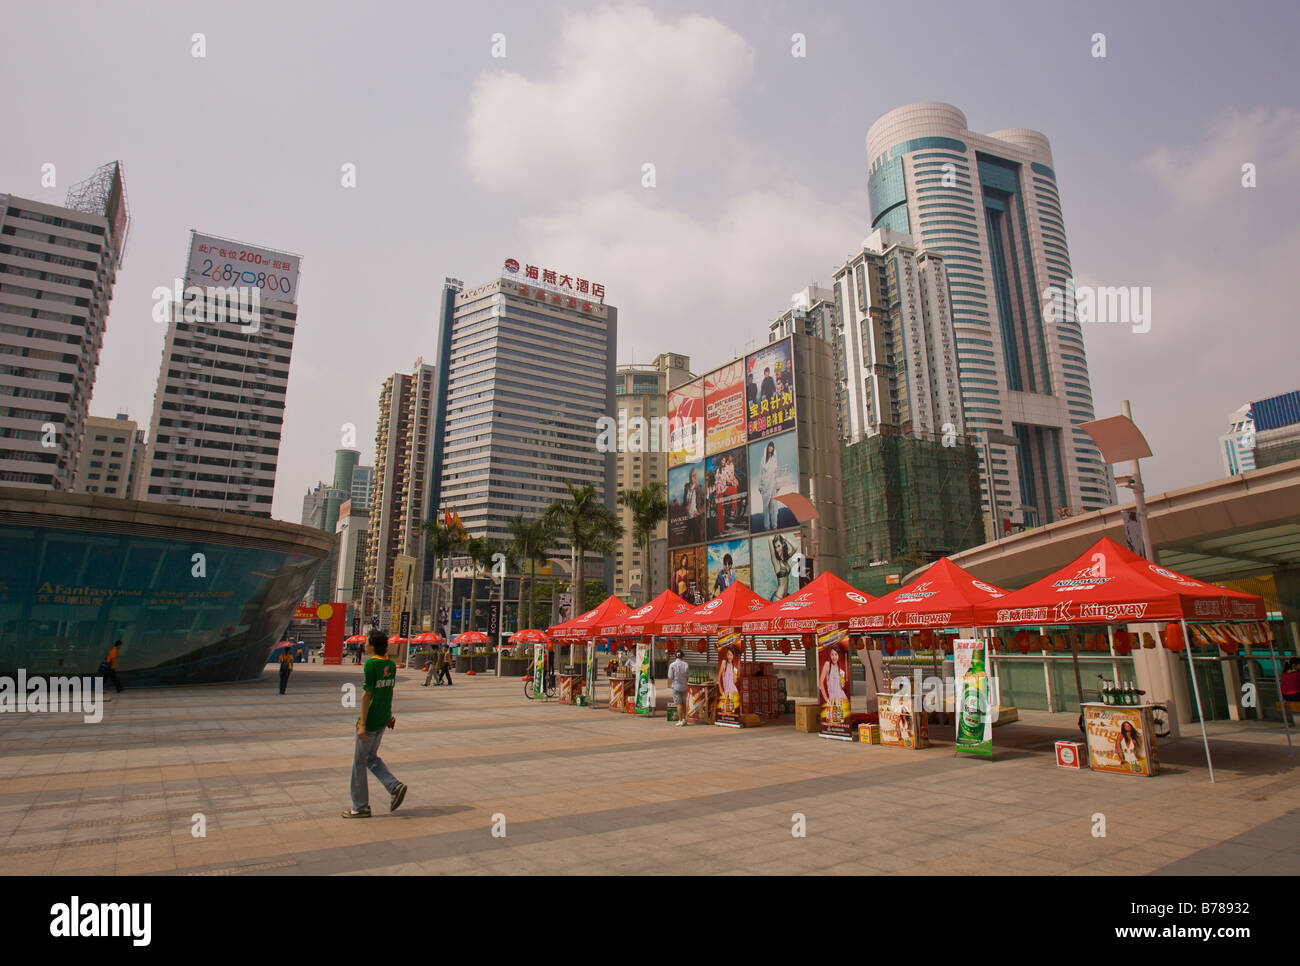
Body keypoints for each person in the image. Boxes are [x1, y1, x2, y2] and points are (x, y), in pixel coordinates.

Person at [342, 630, 407, 819]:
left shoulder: (371, 664)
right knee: (370, 758)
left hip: (370, 721)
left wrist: (362, 723)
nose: (365, 643)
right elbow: (388, 692)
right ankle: (394, 786)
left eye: (367, 641)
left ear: (372, 645)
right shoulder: (390, 665)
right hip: (382, 719)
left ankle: (360, 806)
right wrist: (389, 715)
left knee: (359, 763)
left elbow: (366, 694)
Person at [819, 645, 849, 724]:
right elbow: (820, 682)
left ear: (838, 656)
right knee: (832, 721)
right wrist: (826, 698)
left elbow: (841, 686)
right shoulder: (827, 665)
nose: (834, 657)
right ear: (830, 655)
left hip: (841, 699)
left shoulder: (841, 670)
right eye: (832, 654)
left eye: (836, 655)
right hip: (832, 699)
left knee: (840, 721)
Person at [758, 441, 784, 530]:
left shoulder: (774, 459)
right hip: (765, 486)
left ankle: (775, 525)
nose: (771, 448)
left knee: (773, 506)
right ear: (767, 447)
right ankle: (767, 527)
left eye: (772, 447)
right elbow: (760, 473)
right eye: (770, 446)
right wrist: (760, 487)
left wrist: (778, 484)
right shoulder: (762, 459)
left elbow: (777, 471)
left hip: (773, 485)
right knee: (766, 508)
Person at [668, 648, 690, 727]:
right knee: (684, 703)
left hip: (676, 686)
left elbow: (670, 676)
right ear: (682, 656)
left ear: (675, 656)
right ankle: (684, 719)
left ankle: (680, 720)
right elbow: (688, 676)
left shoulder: (672, 665)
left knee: (679, 704)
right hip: (684, 686)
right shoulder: (686, 664)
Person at [769, 534, 793, 601]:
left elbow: (795, 547)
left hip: (786, 596)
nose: (777, 549)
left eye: (779, 546)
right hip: (779, 597)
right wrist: (774, 534)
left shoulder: (785, 559)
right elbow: (769, 540)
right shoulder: (776, 562)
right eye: (775, 547)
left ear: (783, 545)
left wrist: (786, 538)